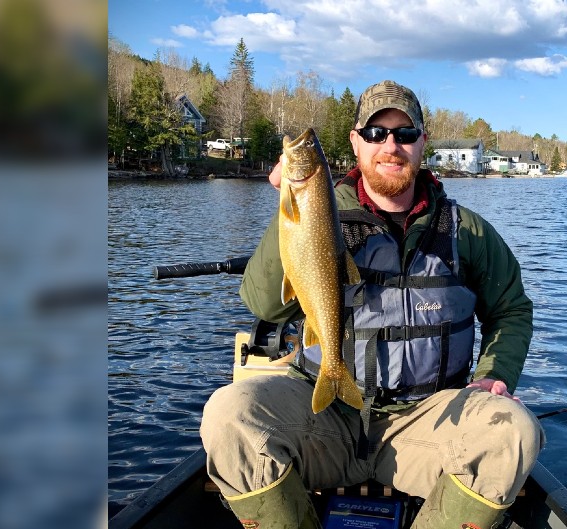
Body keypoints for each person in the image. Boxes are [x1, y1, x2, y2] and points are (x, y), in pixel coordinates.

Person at [201, 80, 544, 528]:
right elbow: (265, 303)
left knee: (514, 432)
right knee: (229, 416)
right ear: (355, 142)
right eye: (376, 133)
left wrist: (493, 374)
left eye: (404, 134)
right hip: (323, 419)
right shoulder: (320, 210)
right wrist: (287, 207)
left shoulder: (468, 231)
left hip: (428, 421)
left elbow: (511, 310)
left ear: (422, 142)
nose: (390, 145)